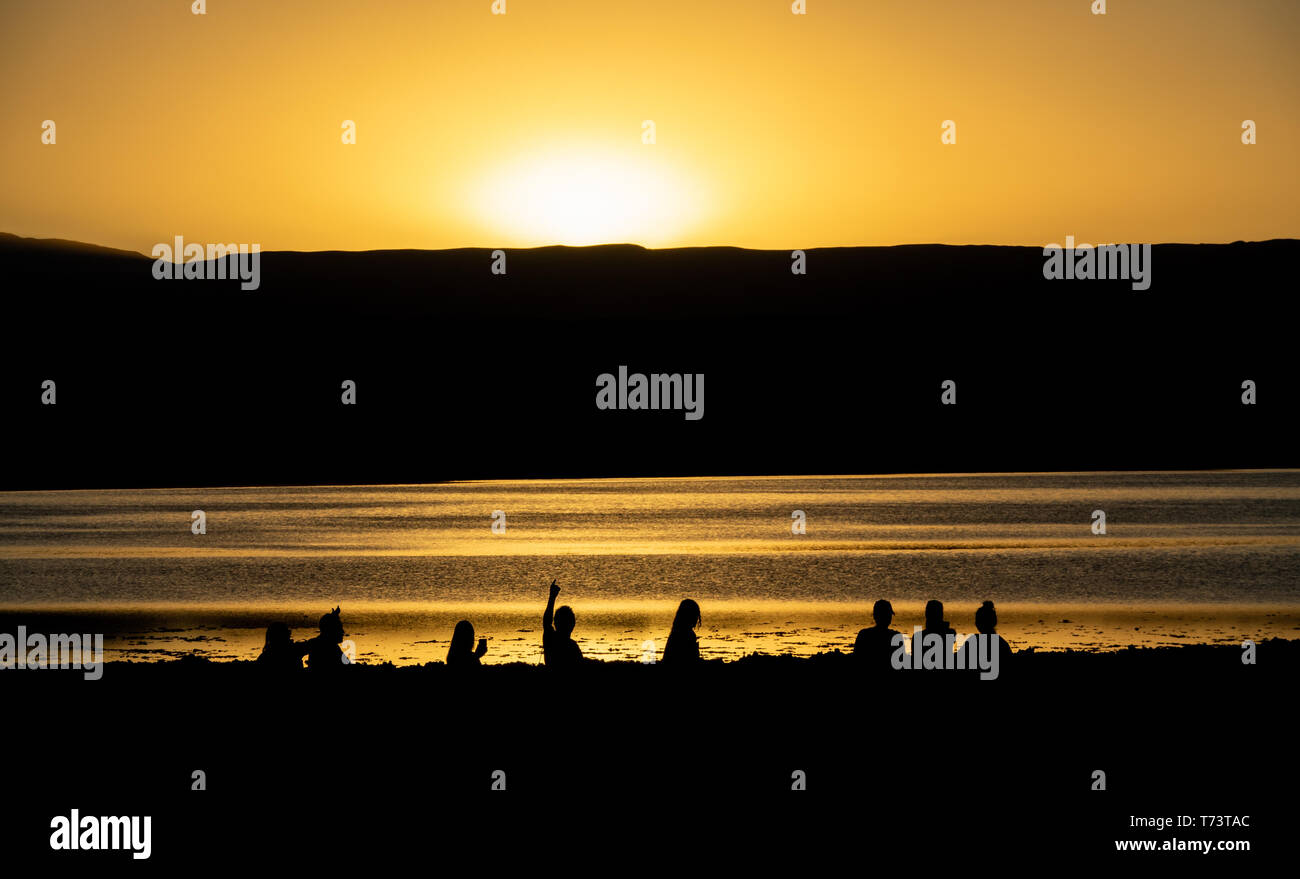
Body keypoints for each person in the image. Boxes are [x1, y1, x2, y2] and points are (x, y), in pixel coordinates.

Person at [956, 600, 1013, 675]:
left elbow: (958, 661)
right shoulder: (1002, 644)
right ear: (994, 622)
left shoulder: (973, 642)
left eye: (977, 621)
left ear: (977, 624)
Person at [542, 580, 583, 668]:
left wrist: (552, 597)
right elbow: (547, 622)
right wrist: (552, 597)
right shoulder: (572, 647)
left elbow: (547, 623)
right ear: (572, 625)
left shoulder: (550, 639)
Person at [853, 599, 899, 670]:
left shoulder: (864, 634)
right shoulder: (896, 636)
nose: (889, 617)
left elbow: (856, 658)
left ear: (874, 616)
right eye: (888, 615)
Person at [304, 606, 348, 672]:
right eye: (339, 628)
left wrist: (333, 616)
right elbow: (347, 667)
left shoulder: (315, 643)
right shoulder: (331, 648)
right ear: (331, 631)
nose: (343, 632)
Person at [662, 598, 702, 665]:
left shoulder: (675, 632)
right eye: (696, 615)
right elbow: (691, 660)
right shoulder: (688, 634)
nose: (697, 619)